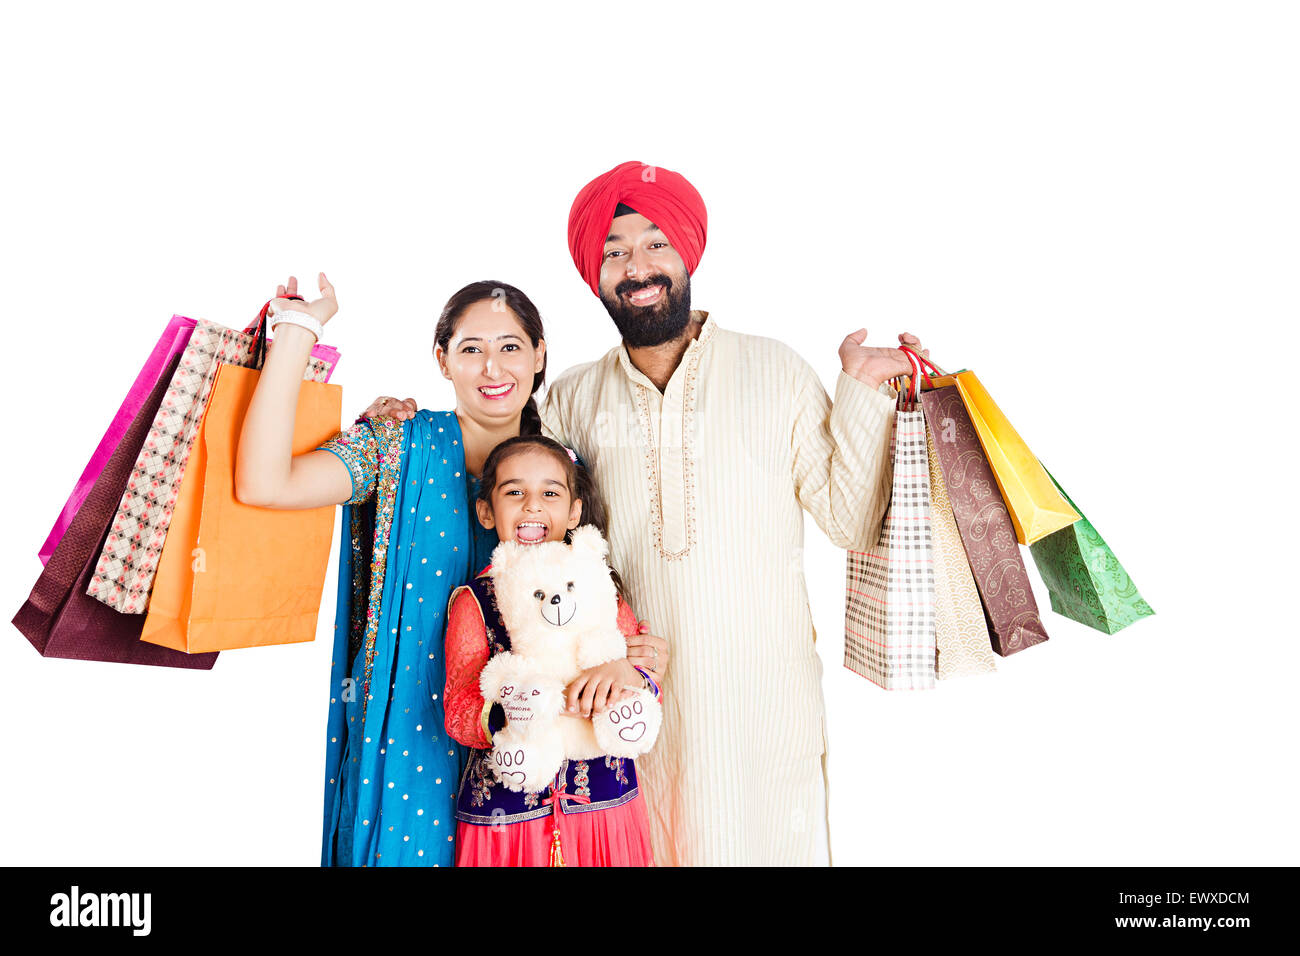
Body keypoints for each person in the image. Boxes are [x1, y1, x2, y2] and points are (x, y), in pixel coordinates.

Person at [363, 161, 926, 865]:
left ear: (688, 250)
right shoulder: (571, 399)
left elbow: (848, 520)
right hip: (610, 712)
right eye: (614, 250)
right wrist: (398, 434)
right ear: (595, 275)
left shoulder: (775, 372)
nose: (637, 266)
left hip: (760, 699)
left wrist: (865, 393)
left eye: (656, 242)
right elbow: (501, 486)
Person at [233, 275, 670, 867]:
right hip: (412, 732)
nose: (493, 367)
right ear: (442, 360)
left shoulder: (562, 469)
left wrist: (637, 662)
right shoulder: (399, 446)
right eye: (471, 348)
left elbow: (604, 606)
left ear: (540, 356)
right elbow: (264, 483)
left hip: (546, 785)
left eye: (511, 346)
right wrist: (298, 330)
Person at [444, 434, 660, 866]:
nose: (532, 505)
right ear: (486, 512)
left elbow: (642, 670)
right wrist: (510, 710)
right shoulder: (475, 600)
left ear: (574, 510)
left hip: (603, 807)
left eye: (549, 493)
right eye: (514, 492)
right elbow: (458, 708)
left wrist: (630, 677)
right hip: (507, 818)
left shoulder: (599, 586)